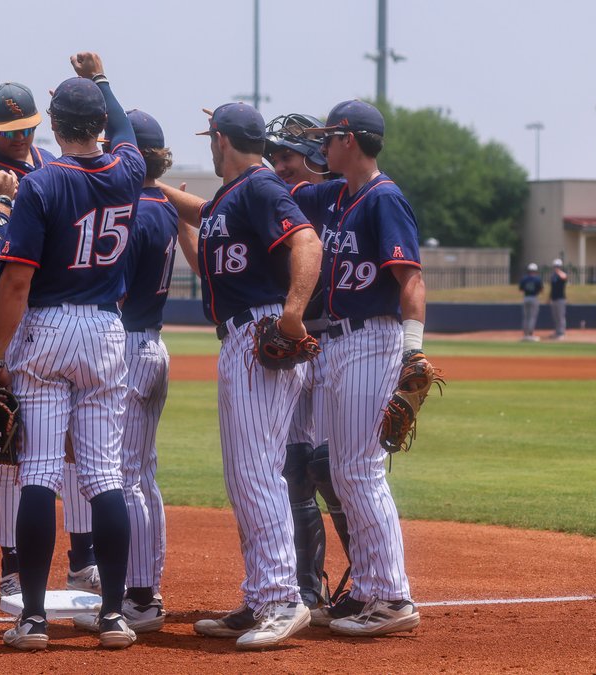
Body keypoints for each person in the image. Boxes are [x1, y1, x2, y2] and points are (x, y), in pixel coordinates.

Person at [0, 52, 143, 651]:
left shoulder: (41, 182)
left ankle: (32, 619)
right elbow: (125, 132)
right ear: (99, 124)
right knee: (105, 477)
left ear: (53, 127)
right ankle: (113, 618)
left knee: (42, 474)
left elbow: (16, 282)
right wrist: (103, 79)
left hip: (49, 327)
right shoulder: (128, 171)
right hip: (106, 329)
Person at [159, 101, 323, 650]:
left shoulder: (260, 187)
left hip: (259, 332)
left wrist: (293, 312)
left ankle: (282, 599)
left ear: (222, 140)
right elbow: (206, 215)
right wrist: (155, 192)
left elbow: (307, 240)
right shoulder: (234, 197)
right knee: (245, 475)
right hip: (239, 337)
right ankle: (261, 595)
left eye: (212, 137)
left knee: (256, 473)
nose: (209, 145)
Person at [0, 81, 101, 600]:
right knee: (10, 435)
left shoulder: (49, 160)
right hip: (7, 303)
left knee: (77, 438)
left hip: (61, 301)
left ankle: (83, 557)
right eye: (11, 131)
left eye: (30, 127)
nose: (22, 137)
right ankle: (11, 563)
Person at [290, 99, 426, 637]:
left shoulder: (383, 198)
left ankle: (393, 597)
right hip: (342, 345)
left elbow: (410, 279)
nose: (321, 145)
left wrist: (413, 351)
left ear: (350, 139)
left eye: (328, 136)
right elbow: (282, 188)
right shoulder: (339, 195)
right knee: (347, 473)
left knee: (360, 472)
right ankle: (370, 588)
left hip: (373, 338)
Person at [71, 109, 176, 636]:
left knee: (127, 477)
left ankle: (139, 595)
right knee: (142, 474)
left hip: (130, 346)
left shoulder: (135, 208)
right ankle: (145, 587)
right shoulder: (161, 204)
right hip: (153, 343)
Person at [263, 114, 352, 610]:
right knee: (295, 466)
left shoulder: (341, 197)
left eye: (288, 158)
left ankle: (367, 574)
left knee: (329, 467)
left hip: (337, 342)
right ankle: (307, 586)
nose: (280, 167)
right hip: (295, 347)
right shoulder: (278, 202)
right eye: (273, 159)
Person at [518, 263, 543, 342]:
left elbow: (520, 289)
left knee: (526, 317)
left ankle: (525, 334)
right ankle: (530, 334)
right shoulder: (537, 279)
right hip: (534, 298)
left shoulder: (524, 279)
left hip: (526, 298)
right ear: (535, 271)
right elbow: (541, 289)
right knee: (532, 317)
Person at [549, 258, 568, 340]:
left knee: (561, 316)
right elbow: (551, 288)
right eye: (555, 266)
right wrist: (549, 298)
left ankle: (561, 333)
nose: (556, 267)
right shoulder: (553, 276)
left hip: (560, 298)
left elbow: (564, 277)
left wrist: (558, 271)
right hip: (554, 298)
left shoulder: (562, 274)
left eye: (557, 266)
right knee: (555, 316)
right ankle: (557, 332)